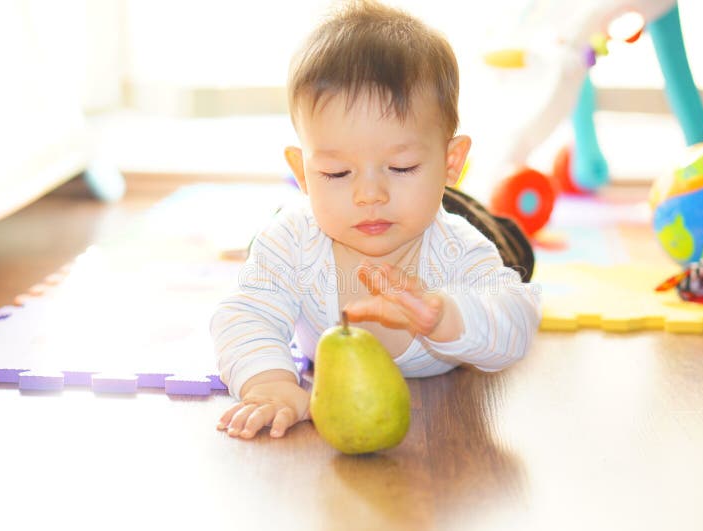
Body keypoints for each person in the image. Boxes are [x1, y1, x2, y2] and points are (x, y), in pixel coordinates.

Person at [211, 0, 541, 440]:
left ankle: (456, 198)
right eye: (336, 172)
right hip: (326, 218)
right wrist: (269, 382)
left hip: (445, 215)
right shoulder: (295, 241)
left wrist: (448, 316)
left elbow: (518, 319)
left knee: (511, 252)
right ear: (303, 172)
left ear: (450, 161)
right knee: (270, 239)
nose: (369, 195)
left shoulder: (457, 249)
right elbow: (243, 314)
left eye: (401, 166)